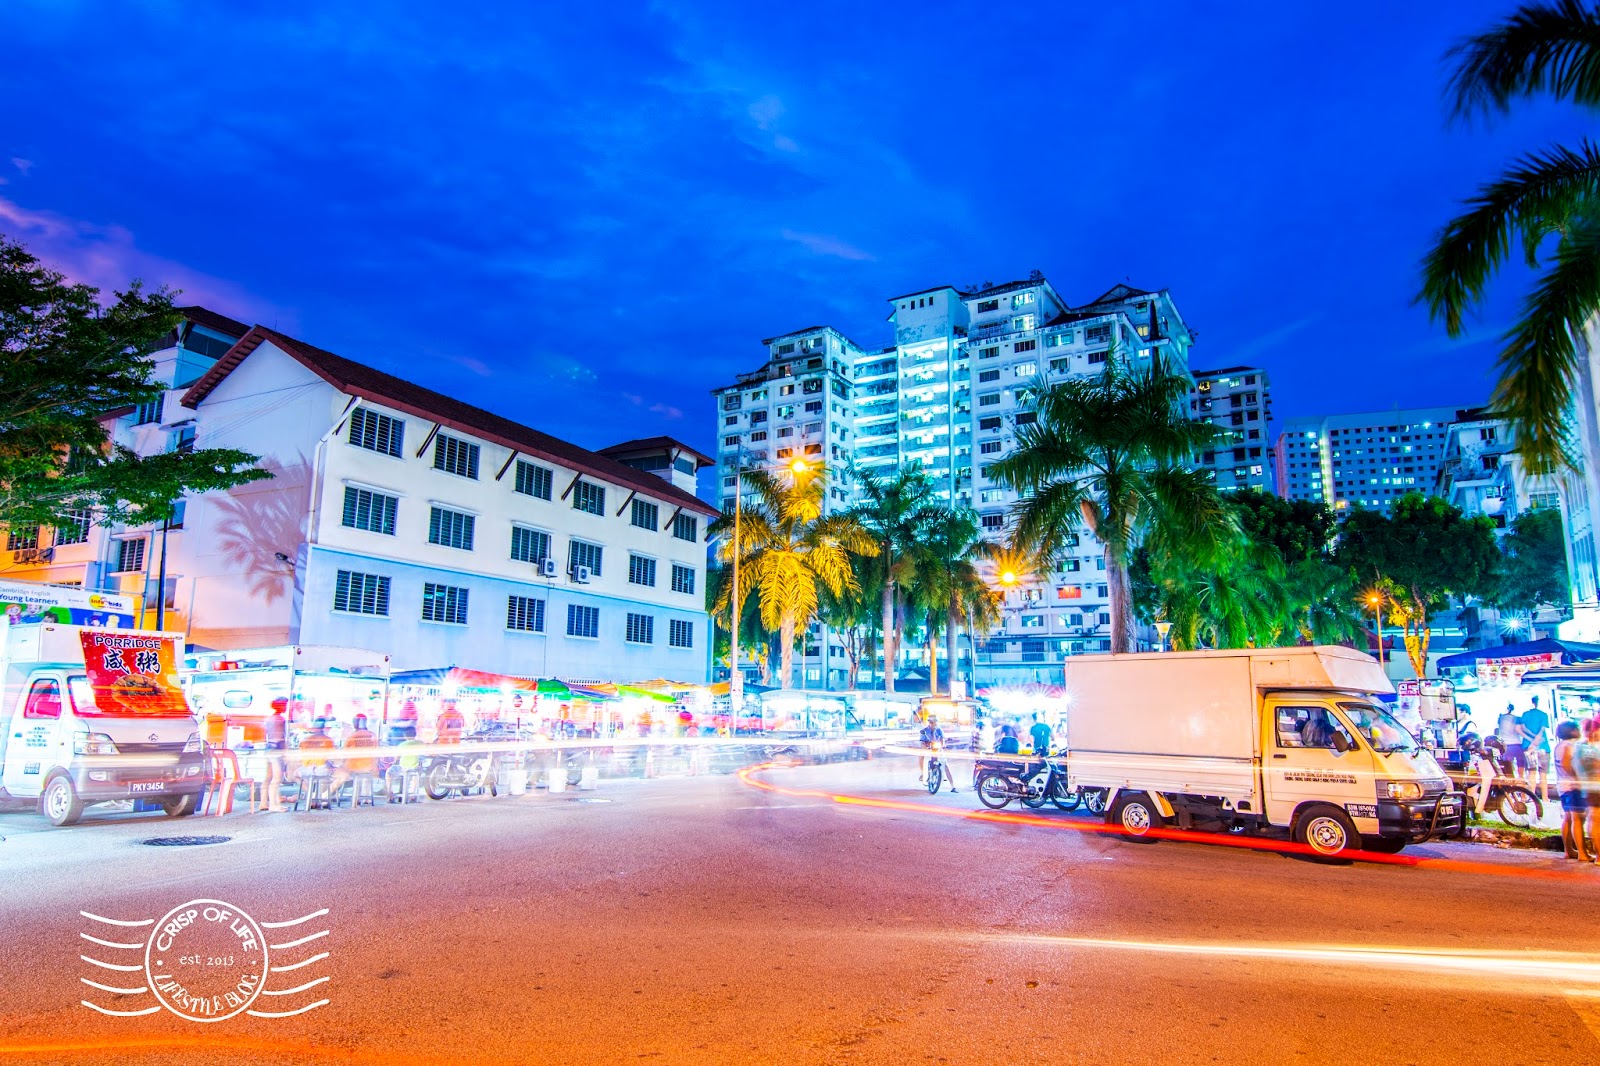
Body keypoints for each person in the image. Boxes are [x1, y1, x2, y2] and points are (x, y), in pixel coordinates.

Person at [1554, 720, 1592, 862]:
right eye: (1577, 728)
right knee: (1577, 818)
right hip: (1572, 787)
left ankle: (1569, 850)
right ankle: (1582, 853)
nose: (1579, 731)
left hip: (1563, 786)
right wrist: (1578, 778)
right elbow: (1566, 764)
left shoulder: (1559, 746)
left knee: (1568, 818)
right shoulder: (1570, 746)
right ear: (1572, 731)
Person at [328, 714, 378, 801]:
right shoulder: (372, 735)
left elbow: (345, 753)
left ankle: (326, 795)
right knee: (364, 775)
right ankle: (365, 798)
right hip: (370, 767)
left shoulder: (353, 736)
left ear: (355, 723)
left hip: (354, 766)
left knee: (335, 771)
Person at [296, 718, 336, 809]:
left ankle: (312, 794)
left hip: (306, 770)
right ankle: (321, 796)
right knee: (335, 776)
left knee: (295, 775)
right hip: (322, 770)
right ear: (323, 727)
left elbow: (300, 757)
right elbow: (332, 758)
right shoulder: (328, 740)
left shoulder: (305, 740)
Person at [1519, 696, 1553, 800]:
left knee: (1531, 773)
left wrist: (1532, 739)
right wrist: (1537, 738)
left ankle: (1532, 797)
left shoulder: (1525, 714)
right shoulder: (1543, 714)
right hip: (1543, 746)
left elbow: (1523, 728)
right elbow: (1542, 730)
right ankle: (1545, 798)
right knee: (1543, 774)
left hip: (1528, 747)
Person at [1578, 716, 1600, 864]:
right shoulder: (1592, 748)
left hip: (1589, 787)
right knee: (1596, 819)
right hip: (1595, 787)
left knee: (1595, 819)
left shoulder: (1581, 747)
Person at [262, 697, 290, 813]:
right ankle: (274, 805)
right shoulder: (280, 720)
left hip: (268, 749)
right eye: (285, 705)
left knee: (268, 777)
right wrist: (286, 752)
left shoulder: (268, 719)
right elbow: (280, 738)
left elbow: (266, 735)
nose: (286, 707)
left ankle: (264, 802)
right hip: (276, 750)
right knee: (277, 778)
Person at [918, 716, 957, 791]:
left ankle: (953, 786)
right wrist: (925, 746)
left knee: (945, 765)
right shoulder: (925, 731)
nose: (933, 723)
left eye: (935, 722)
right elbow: (922, 742)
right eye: (932, 722)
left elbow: (942, 740)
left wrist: (942, 744)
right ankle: (923, 774)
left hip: (937, 749)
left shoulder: (939, 730)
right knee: (921, 757)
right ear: (929, 722)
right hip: (929, 749)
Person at [1464, 738, 1499, 821]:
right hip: (1473, 781)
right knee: (1473, 791)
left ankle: (1477, 813)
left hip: (1478, 779)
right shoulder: (1470, 757)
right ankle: (1476, 814)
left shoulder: (1477, 756)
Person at [1498, 704, 1526, 781]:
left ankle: (1512, 789)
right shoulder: (1517, 718)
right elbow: (1521, 730)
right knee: (1521, 773)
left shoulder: (1500, 718)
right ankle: (1522, 791)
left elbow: (1496, 731)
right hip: (1517, 745)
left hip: (1505, 746)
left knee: (1509, 772)